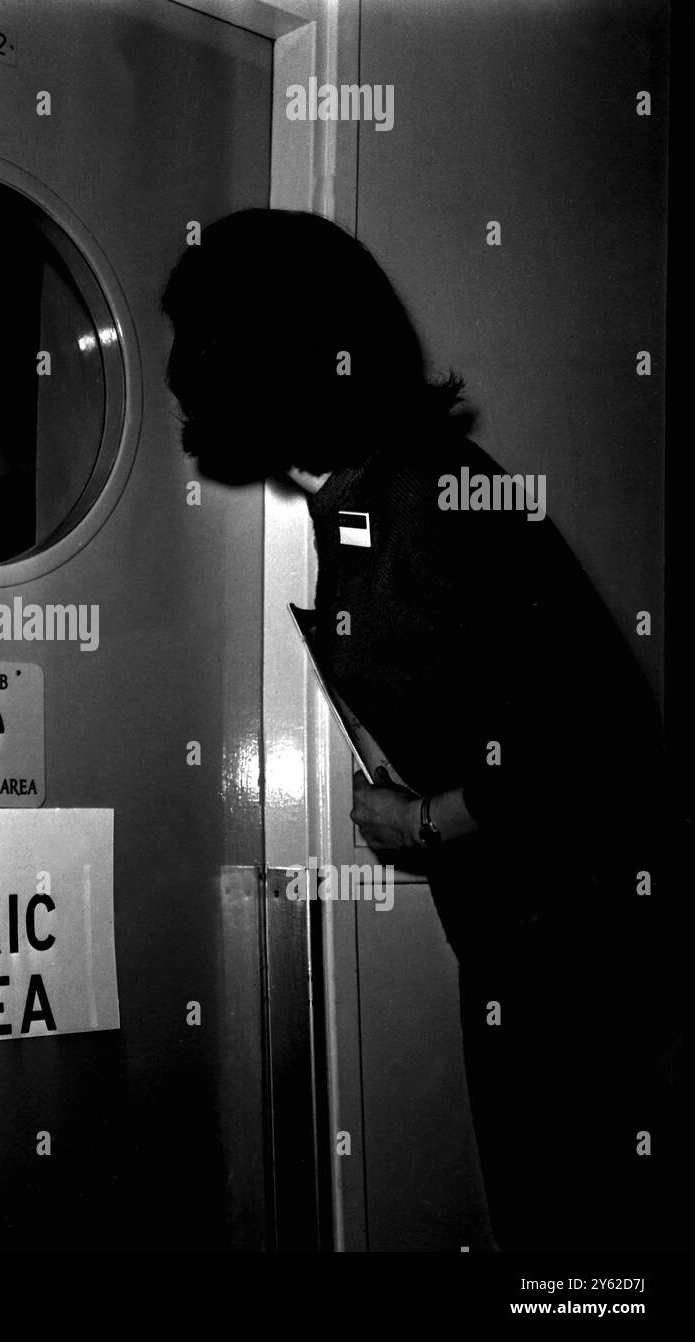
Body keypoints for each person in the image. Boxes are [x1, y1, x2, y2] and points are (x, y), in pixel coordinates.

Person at [161, 208, 681, 1251]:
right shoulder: (365, 493)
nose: (178, 372)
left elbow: (599, 736)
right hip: (530, 946)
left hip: (583, 961)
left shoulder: (431, 494)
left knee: (584, 1242)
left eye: (204, 341)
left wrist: (424, 819)